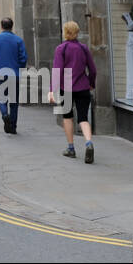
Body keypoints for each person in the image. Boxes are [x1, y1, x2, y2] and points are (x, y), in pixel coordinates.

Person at [49, 21, 98, 162]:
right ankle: (89, 143)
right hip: (83, 87)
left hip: (66, 89)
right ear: (77, 32)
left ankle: (71, 148)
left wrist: (53, 90)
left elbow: (57, 71)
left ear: (65, 32)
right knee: (83, 118)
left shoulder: (61, 48)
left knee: (67, 117)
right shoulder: (83, 48)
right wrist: (91, 83)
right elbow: (93, 69)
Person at [0, 18, 28, 134]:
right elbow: (23, 58)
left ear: (1, 26)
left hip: (1, 72)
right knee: (14, 102)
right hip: (14, 74)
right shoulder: (18, 40)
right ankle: (13, 126)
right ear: (12, 26)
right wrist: (19, 68)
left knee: (2, 99)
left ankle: (5, 115)